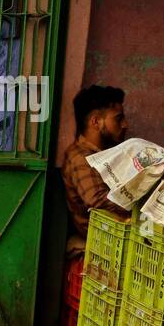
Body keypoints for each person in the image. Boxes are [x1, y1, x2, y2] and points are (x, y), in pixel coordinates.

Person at [62, 85, 130, 242]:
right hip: (105, 240)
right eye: (118, 118)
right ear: (96, 122)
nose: (125, 124)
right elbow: (97, 200)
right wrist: (141, 207)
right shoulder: (80, 158)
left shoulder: (102, 154)